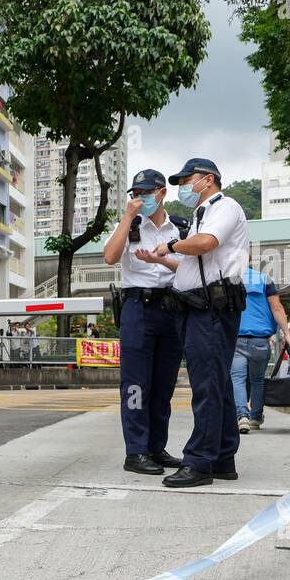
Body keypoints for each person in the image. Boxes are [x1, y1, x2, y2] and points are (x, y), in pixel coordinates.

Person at [144, 157, 250, 488]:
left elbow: (207, 244)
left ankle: (199, 461)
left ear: (208, 179)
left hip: (213, 308)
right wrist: (162, 258)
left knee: (206, 385)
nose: (184, 187)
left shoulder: (224, 206)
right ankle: (222, 457)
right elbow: (194, 266)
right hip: (199, 306)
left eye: (187, 180)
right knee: (216, 384)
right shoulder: (201, 215)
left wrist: (171, 244)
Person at [103, 167, 187, 475]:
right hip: (138, 306)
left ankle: (155, 447)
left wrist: (162, 259)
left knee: (164, 384)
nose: (140, 199)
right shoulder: (129, 225)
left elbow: (189, 268)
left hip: (171, 306)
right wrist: (126, 218)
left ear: (162, 193)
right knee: (136, 384)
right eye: (136, 194)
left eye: (146, 193)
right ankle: (135, 452)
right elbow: (110, 257)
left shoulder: (179, 228)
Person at [230, 260, 290, 433]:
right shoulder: (264, 279)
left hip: (236, 337)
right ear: (250, 261)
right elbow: (277, 307)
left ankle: (241, 416)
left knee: (237, 379)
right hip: (260, 339)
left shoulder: (229, 280)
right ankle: (255, 417)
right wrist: (286, 332)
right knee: (257, 380)